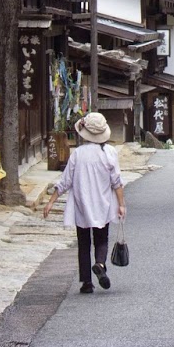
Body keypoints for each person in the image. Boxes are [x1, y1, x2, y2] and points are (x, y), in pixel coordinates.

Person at [41, 111, 127, 294]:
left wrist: (51, 202)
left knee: (83, 243)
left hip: (82, 202)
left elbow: (65, 181)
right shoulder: (109, 153)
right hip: (102, 202)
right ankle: (100, 264)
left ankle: (87, 282)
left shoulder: (78, 154)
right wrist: (121, 204)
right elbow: (117, 182)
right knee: (101, 238)